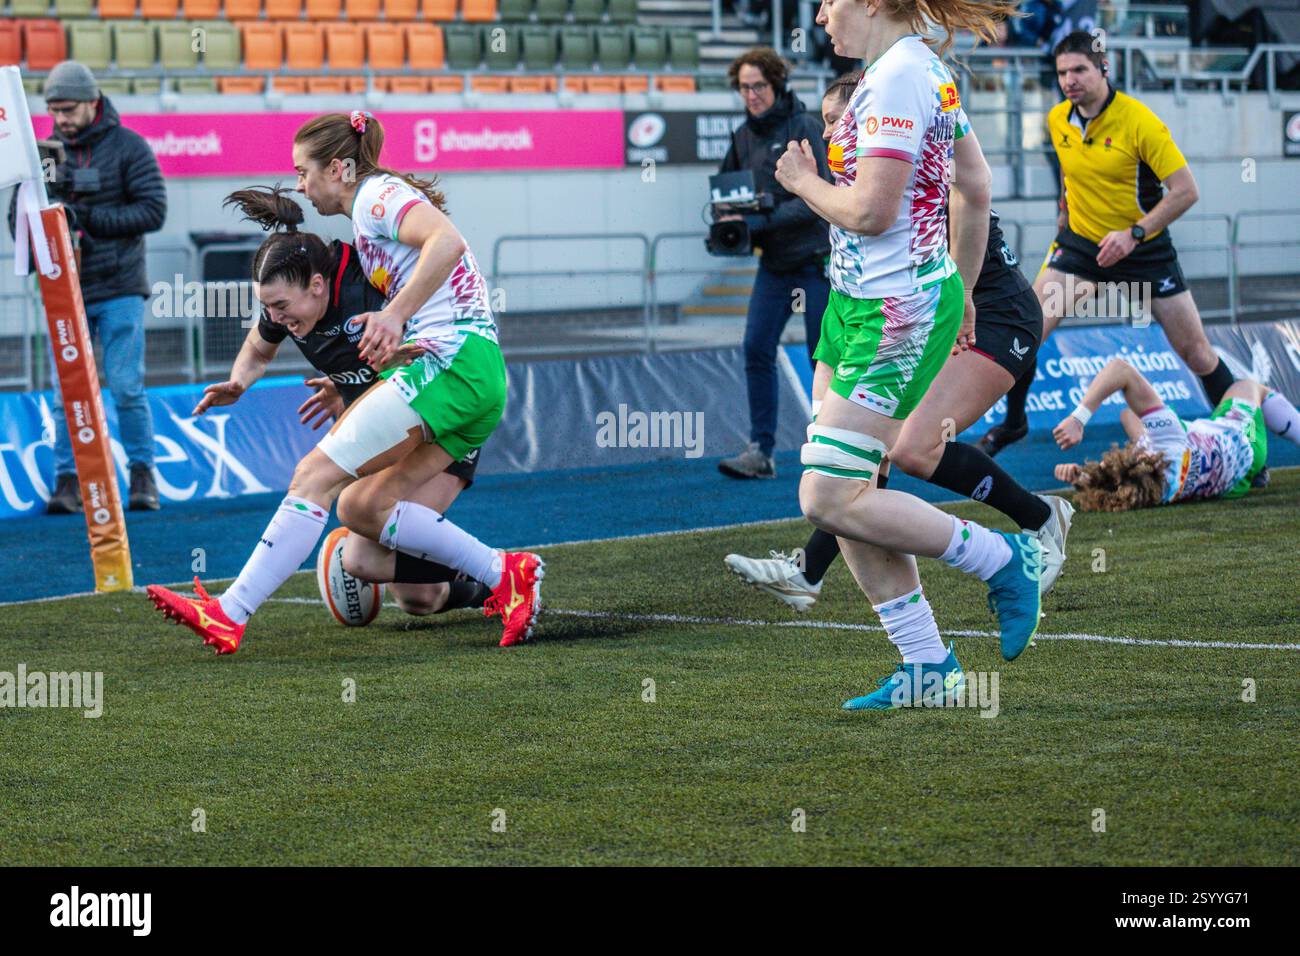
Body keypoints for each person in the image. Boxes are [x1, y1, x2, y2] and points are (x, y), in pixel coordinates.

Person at [146, 112, 542, 653]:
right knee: (360, 508)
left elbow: (447, 242)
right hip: (469, 374)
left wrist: (394, 316)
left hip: (450, 365)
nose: (300, 186)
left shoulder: (376, 196)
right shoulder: (367, 213)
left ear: (337, 167)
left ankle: (229, 613)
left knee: (313, 474)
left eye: (303, 172)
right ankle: (505, 575)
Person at [725, 70, 1075, 612]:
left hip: (991, 319)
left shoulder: (908, 169)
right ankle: (808, 573)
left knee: (911, 448)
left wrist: (962, 302)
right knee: (871, 452)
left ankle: (1036, 519)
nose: (832, 131)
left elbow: (967, 199)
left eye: (841, 120)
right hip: (923, 320)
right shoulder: (867, 173)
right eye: (825, 123)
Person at [773, 0, 1033, 712]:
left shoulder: (895, 81)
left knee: (825, 495)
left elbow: (871, 211)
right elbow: (973, 188)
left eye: (829, 0)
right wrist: (965, 284)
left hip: (893, 312)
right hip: (872, 306)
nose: (821, 14)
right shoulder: (917, 70)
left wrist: (801, 183)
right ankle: (928, 666)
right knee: (848, 490)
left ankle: (1004, 559)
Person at [191, 186, 491, 620]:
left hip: (438, 423)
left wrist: (374, 369)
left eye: (279, 306)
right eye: (267, 307)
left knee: (326, 488)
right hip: (384, 432)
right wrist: (239, 382)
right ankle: (488, 581)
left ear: (317, 285)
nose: (275, 318)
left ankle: (502, 573)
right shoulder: (285, 306)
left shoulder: (365, 291)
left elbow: (426, 344)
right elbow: (258, 350)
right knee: (407, 592)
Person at [979, 30, 1240, 471]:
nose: (1069, 80)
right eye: (1062, 72)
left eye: (1079, 69)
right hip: (1081, 249)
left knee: (1196, 353)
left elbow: (1184, 191)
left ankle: (1237, 441)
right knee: (1025, 329)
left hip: (1143, 250)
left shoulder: (1141, 122)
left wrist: (1133, 235)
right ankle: (1014, 423)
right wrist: (1064, 219)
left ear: (1104, 69)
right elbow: (1068, 176)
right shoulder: (1057, 119)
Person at [32, 61, 167, 514]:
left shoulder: (130, 147)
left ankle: (142, 476)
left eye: (67, 109)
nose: (60, 118)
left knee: (127, 387)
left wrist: (87, 219)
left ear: (92, 102)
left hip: (121, 287)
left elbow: (153, 211)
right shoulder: (43, 154)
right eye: (53, 110)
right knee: (63, 394)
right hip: (62, 291)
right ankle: (67, 481)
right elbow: (24, 216)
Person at [715, 47, 833, 480]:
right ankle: (761, 451)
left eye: (758, 85)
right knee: (756, 348)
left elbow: (817, 198)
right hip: (776, 266)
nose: (751, 94)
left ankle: (831, 451)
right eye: (744, 87)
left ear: (776, 83)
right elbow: (726, 193)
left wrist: (758, 219)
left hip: (816, 262)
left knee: (823, 359)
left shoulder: (803, 125)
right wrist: (724, 217)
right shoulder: (744, 135)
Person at [1051, 356, 1300, 510]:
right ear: (1137, 458)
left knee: (1129, 417)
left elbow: (1128, 420)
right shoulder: (1167, 439)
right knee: (1247, 386)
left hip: (1233, 484)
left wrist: (1085, 477)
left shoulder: (1153, 495)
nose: (1106, 460)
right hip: (1243, 442)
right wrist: (1079, 418)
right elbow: (1120, 370)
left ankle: (1258, 475)